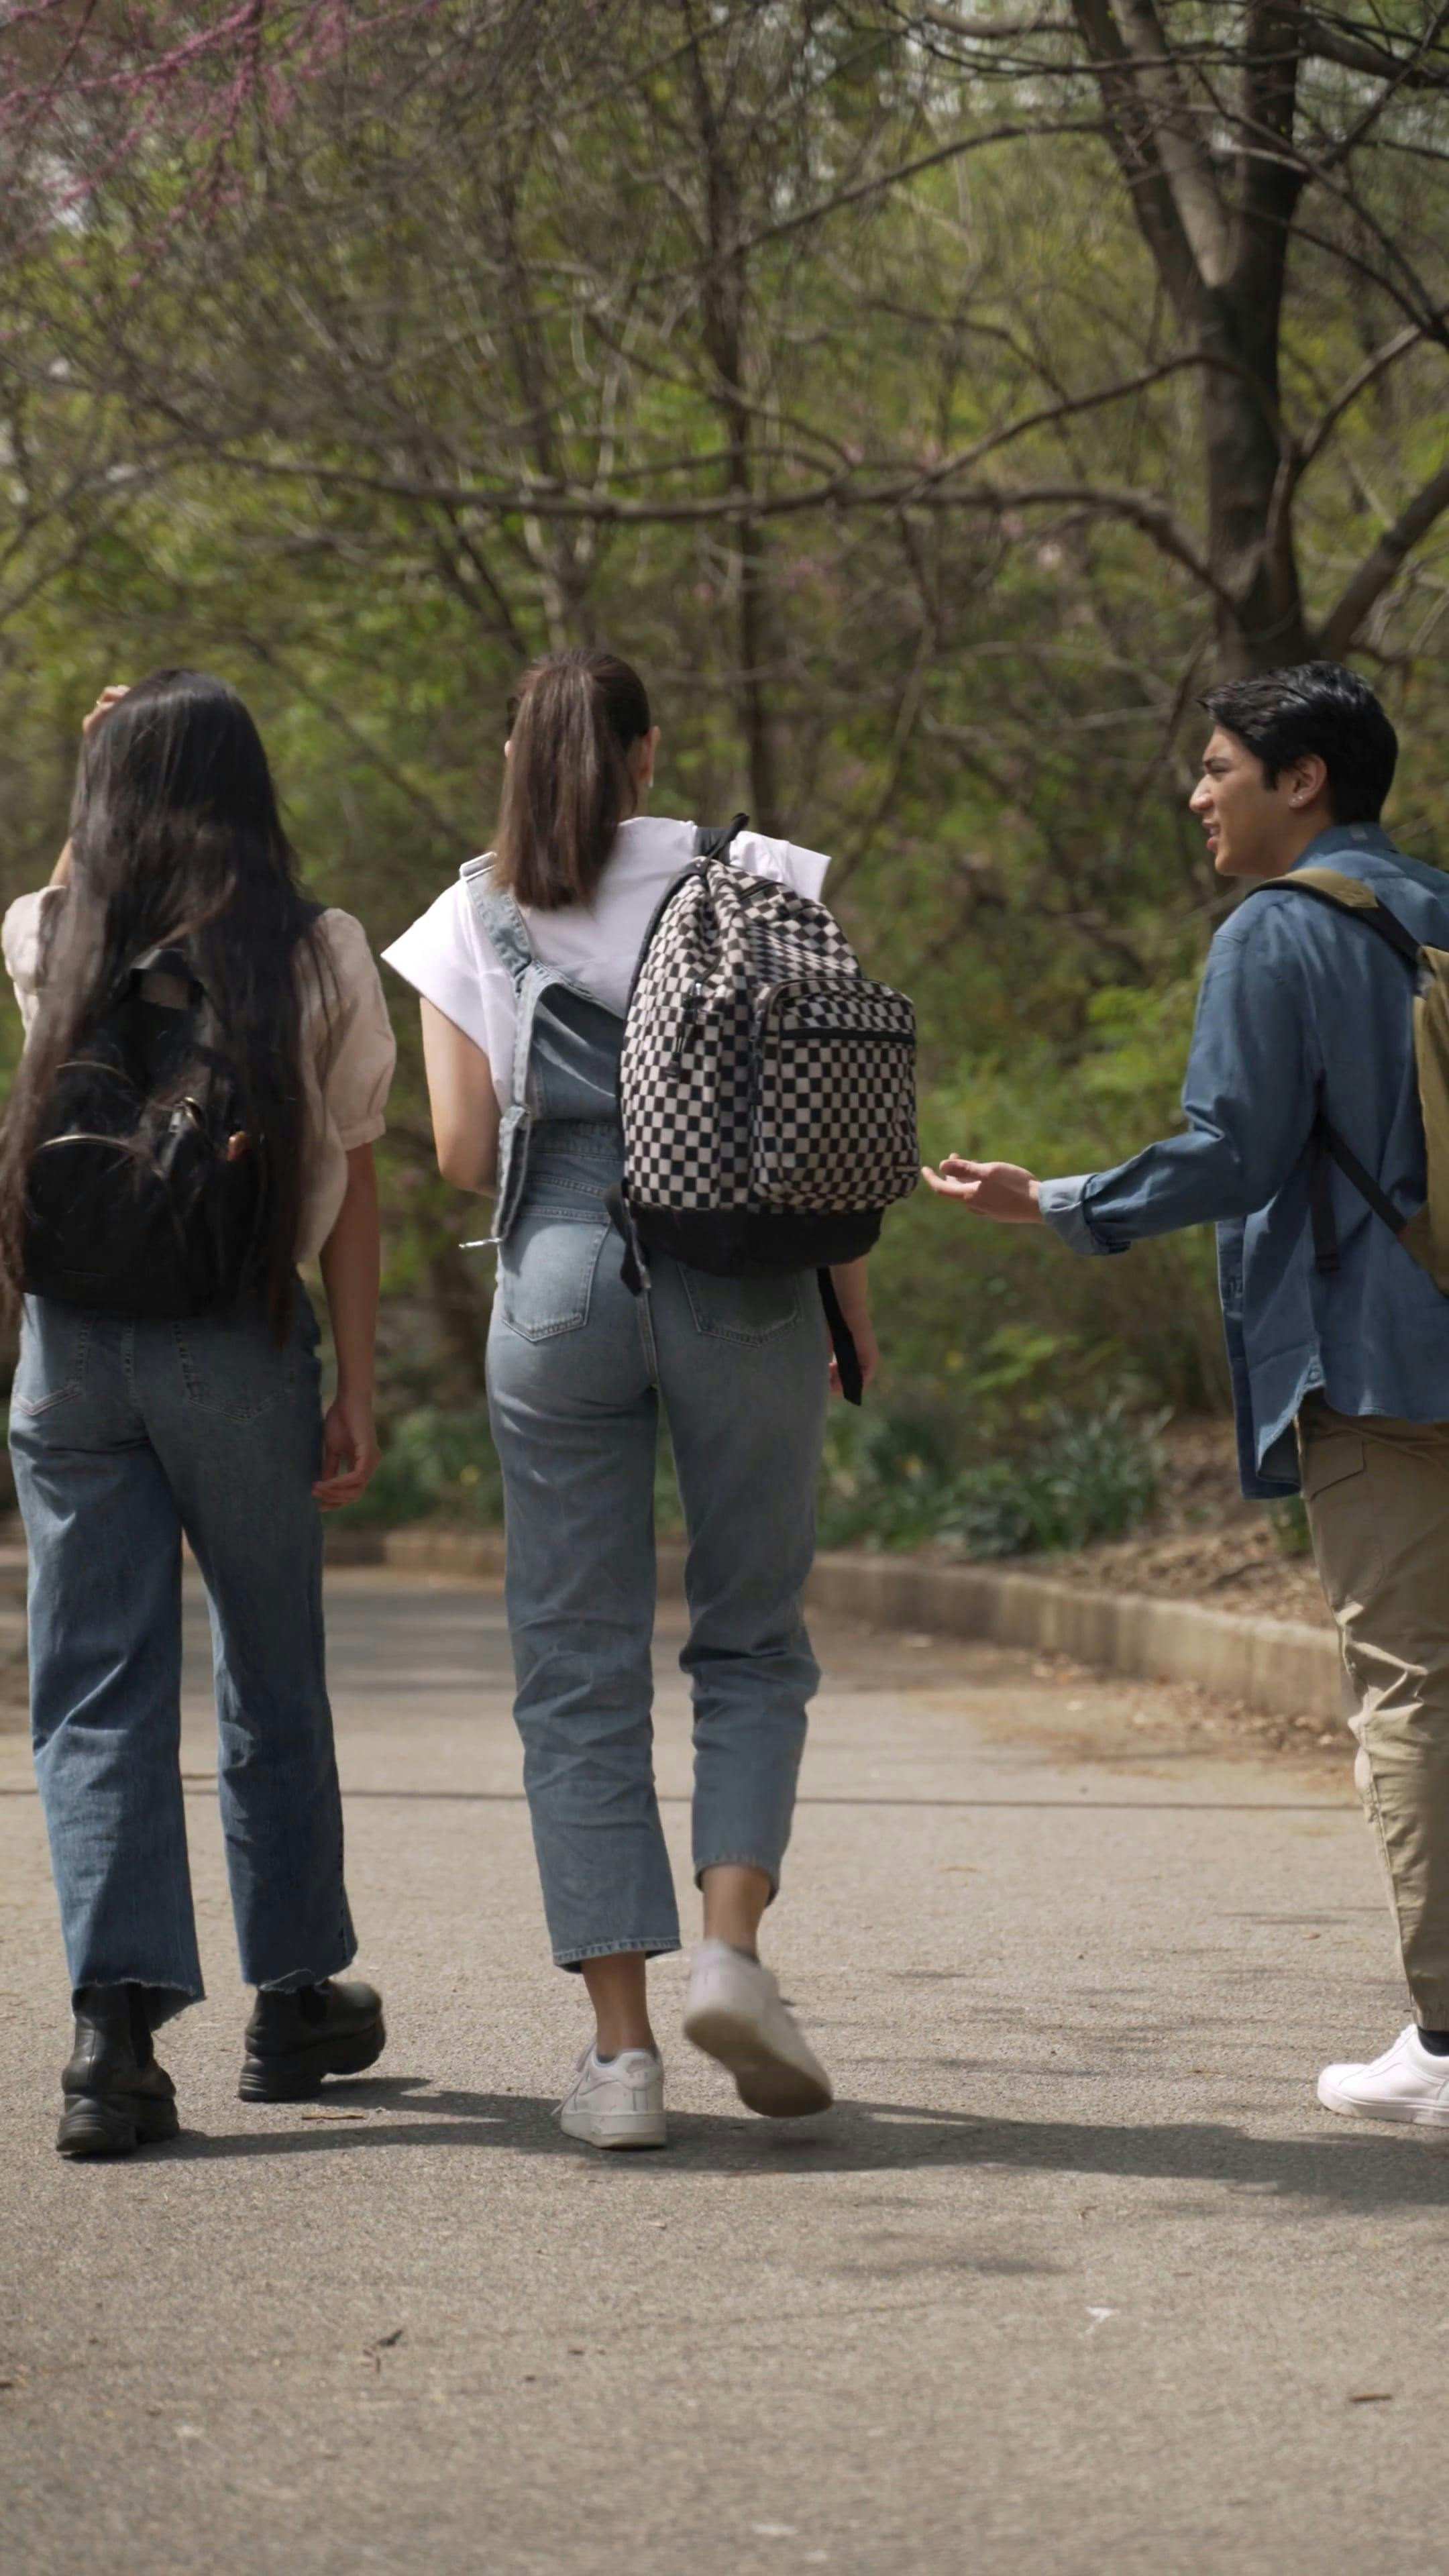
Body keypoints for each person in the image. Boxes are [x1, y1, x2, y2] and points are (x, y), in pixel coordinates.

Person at [924, 659, 1449, 2129]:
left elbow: (1233, 1153)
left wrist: (1060, 1202)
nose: (1196, 792)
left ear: (1305, 781)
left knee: (1412, 1685)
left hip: (1372, 1355)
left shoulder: (1275, 936)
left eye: (1220, 766)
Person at [384, 647, 876, 2149]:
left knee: (576, 1666)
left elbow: (464, 1152)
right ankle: (732, 1954)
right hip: (744, 1280)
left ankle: (620, 2061)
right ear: (651, 756)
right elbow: (835, 1117)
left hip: (559, 1281)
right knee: (751, 1634)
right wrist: (852, 1320)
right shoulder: (770, 876)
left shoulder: (469, 910)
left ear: (517, 759)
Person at [0, 672, 396, 2156]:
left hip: (71, 1353)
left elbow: (42, 911)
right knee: (269, 1674)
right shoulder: (311, 953)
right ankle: (295, 2000)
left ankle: (113, 2043)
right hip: (235, 1345)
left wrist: (96, 771)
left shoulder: (59, 935)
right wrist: (355, 1381)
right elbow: (349, 1187)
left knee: (94, 1686)